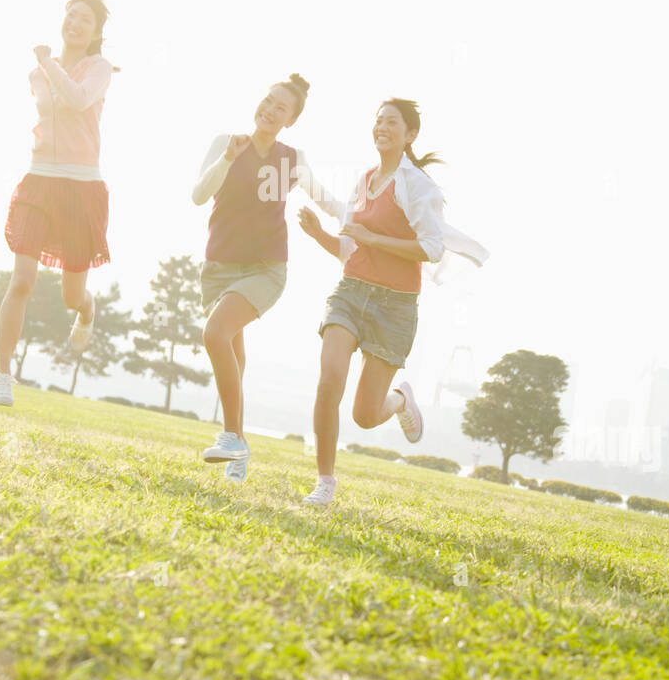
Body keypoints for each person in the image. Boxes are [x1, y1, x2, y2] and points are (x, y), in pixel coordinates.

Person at [298, 97, 488, 505]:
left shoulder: (418, 186)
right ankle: (325, 483)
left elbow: (432, 249)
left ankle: (400, 400)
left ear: (410, 134)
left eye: (392, 122)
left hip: (396, 306)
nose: (382, 127)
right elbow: (351, 251)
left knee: (365, 416)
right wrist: (319, 235)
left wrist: (374, 239)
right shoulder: (364, 179)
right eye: (378, 121)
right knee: (330, 377)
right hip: (351, 292)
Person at [192, 74, 342, 480]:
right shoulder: (226, 142)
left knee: (215, 334)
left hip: (265, 269)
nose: (270, 110)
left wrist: (354, 221)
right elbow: (199, 195)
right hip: (219, 266)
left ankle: (230, 436)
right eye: (268, 100)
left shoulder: (292, 159)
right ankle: (238, 447)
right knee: (233, 354)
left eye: (281, 108)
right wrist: (227, 157)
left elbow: (325, 198)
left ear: (290, 120)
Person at [0, 0, 116, 406]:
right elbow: (48, 115)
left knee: (70, 296)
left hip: (81, 187)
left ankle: (87, 309)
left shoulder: (98, 69)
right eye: (71, 16)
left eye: (85, 20)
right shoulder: (37, 73)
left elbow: (79, 100)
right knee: (23, 279)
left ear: (96, 33)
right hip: (40, 180)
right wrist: (45, 68)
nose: (75, 23)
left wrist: (50, 64)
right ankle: (3, 376)